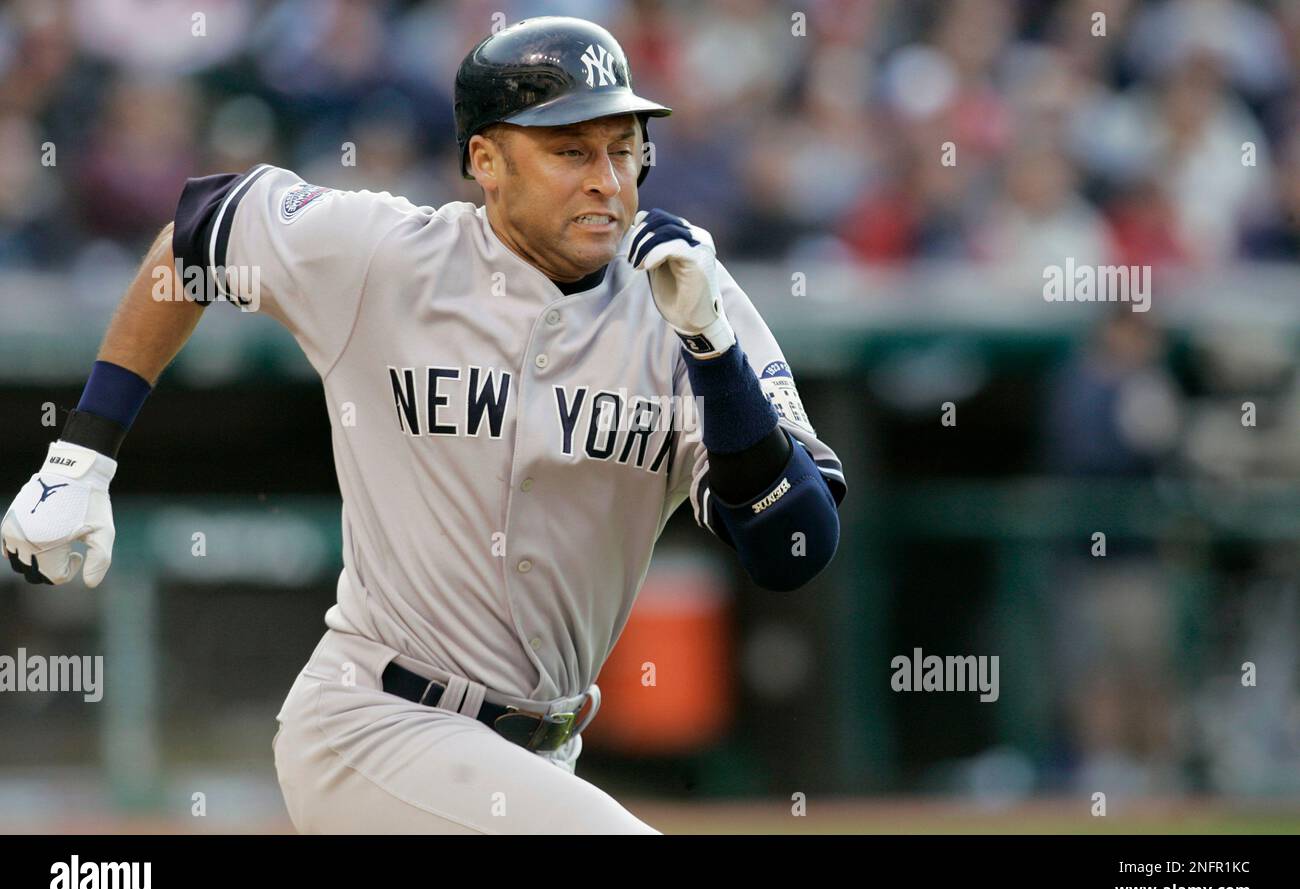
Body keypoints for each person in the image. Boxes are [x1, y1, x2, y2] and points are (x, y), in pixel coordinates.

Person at [2, 16, 846, 834]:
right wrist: (81, 455)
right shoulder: (389, 257)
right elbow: (195, 239)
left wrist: (713, 351)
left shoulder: (686, 293)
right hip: (373, 722)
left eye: (625, 149)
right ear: (485, 159)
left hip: (538, 756)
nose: (608, 180)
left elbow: (792, 546)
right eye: (570, 150)